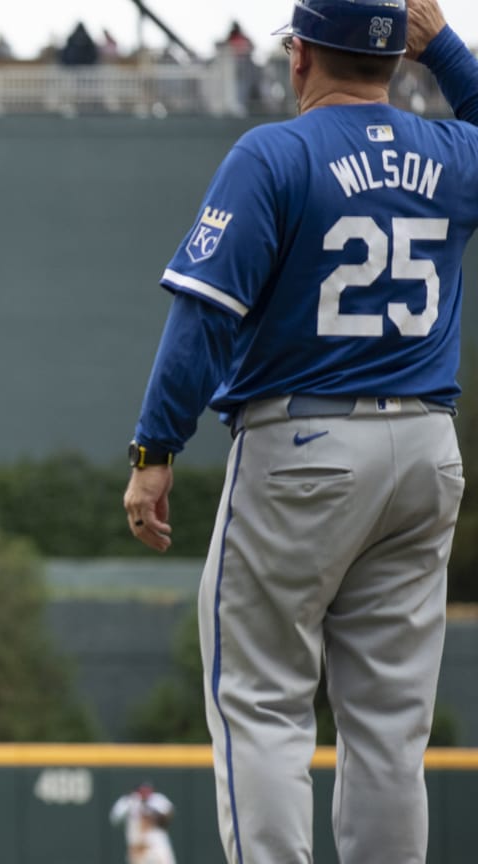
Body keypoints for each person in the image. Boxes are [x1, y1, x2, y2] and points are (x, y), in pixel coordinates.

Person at [121, 1, 478, 861]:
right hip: (426, 452)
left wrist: (154, 448)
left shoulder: (274, 152)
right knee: (392, 730)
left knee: (261, 701)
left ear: (300, 57)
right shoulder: (454, 153)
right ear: (395, 60)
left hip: (303, 448)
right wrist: (450, 53)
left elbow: (203, 319)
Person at [109, 782, 175, 864]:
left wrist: (153, 815)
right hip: (138, 846)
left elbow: (169, 814)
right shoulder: (130, 801)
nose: (145, 793)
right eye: (142, 791)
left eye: (147, 791)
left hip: (157, 844)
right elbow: (115, 817)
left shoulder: (157, 800)